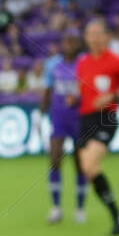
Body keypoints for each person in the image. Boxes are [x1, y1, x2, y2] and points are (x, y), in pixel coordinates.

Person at [77, 16, 119, 236]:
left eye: (97, 34)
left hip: (105, 117)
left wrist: (111, 95)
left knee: (92, 165)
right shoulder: (82, 62)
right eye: (89, 34)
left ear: (106, 36)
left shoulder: (116, 61)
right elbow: (82, 91)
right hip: (85, 118)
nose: (93, 38)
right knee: (88, 169)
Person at [41, 33, 88, 225]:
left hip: (80, 118)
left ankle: (79, 208)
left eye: (73, 42)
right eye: (66, 41)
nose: (69, 45)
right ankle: (56, 207)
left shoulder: (84, 63)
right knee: (55, 158)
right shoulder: (53, 64)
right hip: (58, 118)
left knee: (80, 163)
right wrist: (40, 112)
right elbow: (48, 90)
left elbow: (90, 90)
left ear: (78, 44)